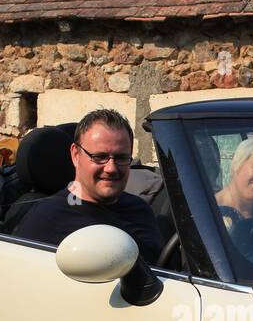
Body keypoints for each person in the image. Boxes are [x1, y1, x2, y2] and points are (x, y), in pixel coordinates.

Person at [15, 109, 164, 262]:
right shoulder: (46, 220)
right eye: (99, 157)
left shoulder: (140, 210)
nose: (111, 168)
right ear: (75, 155)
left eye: (121, 157)